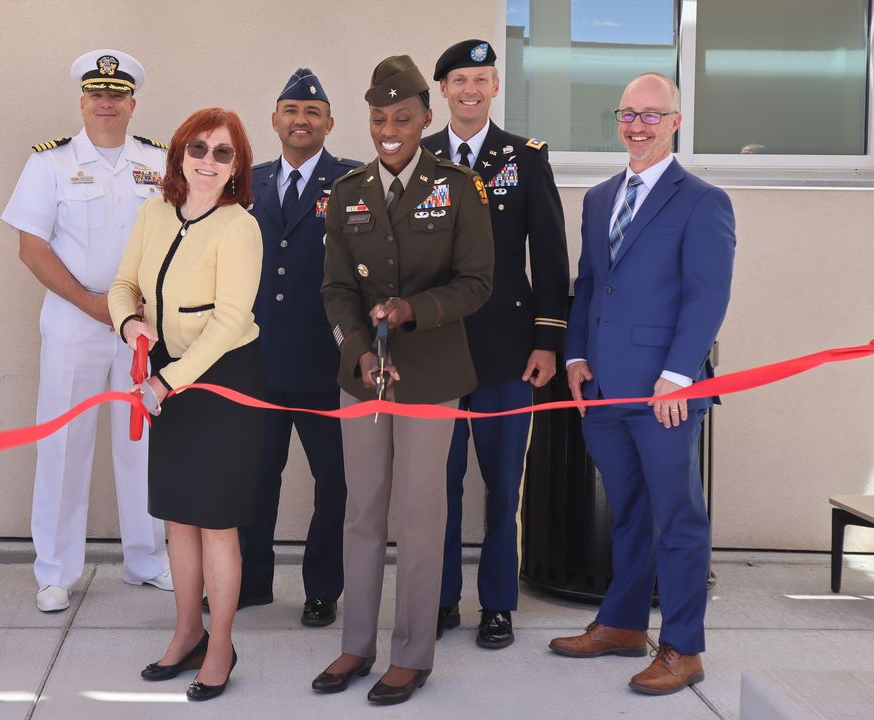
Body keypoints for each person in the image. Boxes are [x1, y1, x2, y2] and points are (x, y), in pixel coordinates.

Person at [315, 55, 493, 706]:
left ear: (425, 118)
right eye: (379, 118)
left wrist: (416, 310)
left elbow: (478, 283)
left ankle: (412, 653)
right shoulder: (350, 191)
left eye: (402, 117)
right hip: (363, 376)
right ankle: (356, 644)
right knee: (361, 511)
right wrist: (358, 350)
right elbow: (335, 290)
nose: (389, 129)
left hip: (431, 373)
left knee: (420, 516)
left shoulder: (458, 187)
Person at [550, 72, 735, 696]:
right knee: (628, 515)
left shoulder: (702, 200)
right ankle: (624, 624)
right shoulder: (600, 197)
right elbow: (587, 285)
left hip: (666, 397)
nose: (637, 125)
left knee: (677, 520)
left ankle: (683, 647)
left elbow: (706, 298)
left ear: (675, 122)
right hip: (604, 391)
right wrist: (575, 357)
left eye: (651, 115)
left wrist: (678, 376)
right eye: (628, 113)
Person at [0, 49, 170, 613]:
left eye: (116, 94)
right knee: (63, 444)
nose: (106, 102)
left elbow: (177, 239)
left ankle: (146, 559)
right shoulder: (49, 163)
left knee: (142, 442)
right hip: (75, 322)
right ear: (82, 100)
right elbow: (31, 246)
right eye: (96, 93)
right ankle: (55, 571)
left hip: (142, 327)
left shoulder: (160, 162)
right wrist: (94, 305)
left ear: (132, 103)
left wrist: (136, 309)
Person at [109, 107, 265, 702]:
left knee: (216, 524)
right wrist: (130, 326)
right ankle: (187, 632)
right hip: (164, 380)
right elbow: (124, 284)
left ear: (236, 167)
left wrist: (166, 381)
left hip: (222, 383)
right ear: (179, 154)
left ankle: (221, 645)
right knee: (178, 517)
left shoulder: (239, 226)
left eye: (222, 152)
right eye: (197, 148)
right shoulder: (152, 214)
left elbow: (229, 322)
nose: (207, 160)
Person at [421, 39, 569, 648]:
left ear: (495, 87)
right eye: (460, 79)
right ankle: (442, 597)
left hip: (509, 351)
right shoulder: (419, 156)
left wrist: (548, 339)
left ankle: (499, 604)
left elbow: (552, 256)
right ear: (444, 90)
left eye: (481, 78)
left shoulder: (524, 158)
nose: (470, 90)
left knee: (504, 485)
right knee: (439, 485)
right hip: (435, 352)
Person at [237, 68, 358, 627]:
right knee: (256, 478)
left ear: (329, 123)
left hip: (324, 361)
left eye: (312, 112)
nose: (300, 120)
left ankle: (322, 589)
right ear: (275, 120)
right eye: (291, 110)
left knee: (334, 481)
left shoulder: (353, 182)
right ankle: (253, 580)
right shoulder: (249, 182)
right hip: (258, 361)